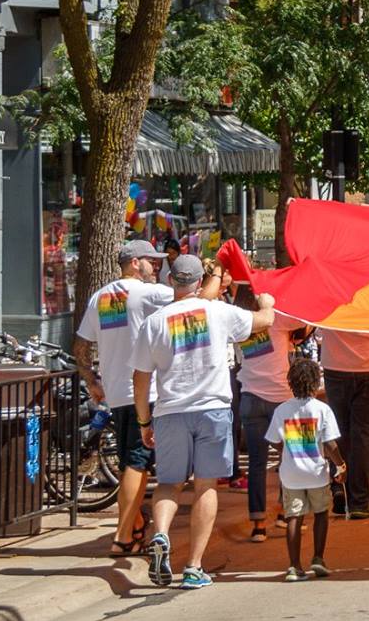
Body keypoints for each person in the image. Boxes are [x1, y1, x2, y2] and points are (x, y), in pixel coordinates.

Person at [133, 254, 274, 589]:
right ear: (200, 282)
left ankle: (162, 535)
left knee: (169, 483)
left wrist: (143, 421)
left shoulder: (154, 322)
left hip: (170, 411)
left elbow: (140, 377)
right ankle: (194, 566)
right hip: (212, 407)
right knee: (205, 485)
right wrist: (267, 300)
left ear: (170, 281)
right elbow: (263, 321)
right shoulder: (218, 312)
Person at [74, 238, 174, 558]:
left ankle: (130, 529)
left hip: (118, 392)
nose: (156, 267)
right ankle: (121, 536)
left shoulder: (99, 298)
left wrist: (92, 381)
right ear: (134, 263)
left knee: (132, 464)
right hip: (146, 392)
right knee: (137, 463)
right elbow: (189, 297)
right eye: (151, 261)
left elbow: (80, 347)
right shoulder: (147, 292)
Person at [267, 355, 343, 582]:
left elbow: (272, 439)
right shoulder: (322, 409)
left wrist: (285, 451)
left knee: (294, 517)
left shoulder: (282, 410)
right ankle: (318, 558)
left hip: (291, 474)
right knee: (321, 514)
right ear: (315, 383)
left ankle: (294, 566)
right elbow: (330, 444)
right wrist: (340, 464)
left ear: (290, 383)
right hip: (317, 472)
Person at [234, 297, 299, 537]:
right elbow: (305, 319)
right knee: (291, 458)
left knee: (256, 463)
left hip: (250, 396)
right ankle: (288, 512)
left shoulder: (240, 321)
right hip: (281, 398)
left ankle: (258, 525)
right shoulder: (278, 318)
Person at [319, 327, 369, 520]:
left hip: (336, 366)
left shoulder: (331, 295)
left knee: (338, 433)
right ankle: (358, 501)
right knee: (364, 438)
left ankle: (339, 487)